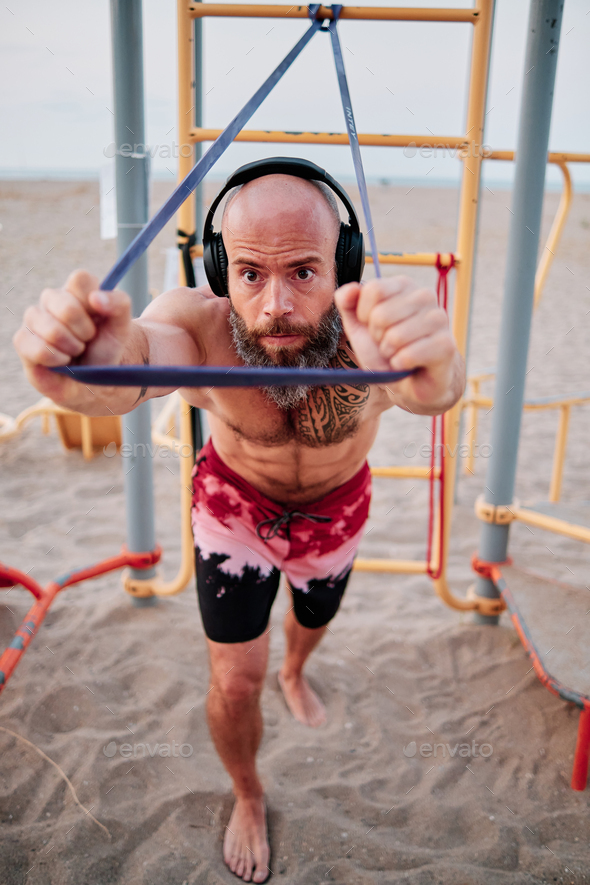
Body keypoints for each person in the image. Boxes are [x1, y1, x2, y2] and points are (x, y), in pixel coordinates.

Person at [13, 159, 464, 884]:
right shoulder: (198, 323)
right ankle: (249, 793)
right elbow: (139, 359)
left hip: (336, 511)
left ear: (340, 264)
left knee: (309, 626)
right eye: (250, 273)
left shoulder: (366, 337)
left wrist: (439, 374)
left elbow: (429, 388)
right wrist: (95, 367)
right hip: (234, 510)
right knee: (233, 678)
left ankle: (296, 667)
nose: (276, 304)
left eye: (304, 273)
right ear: (222, 269)